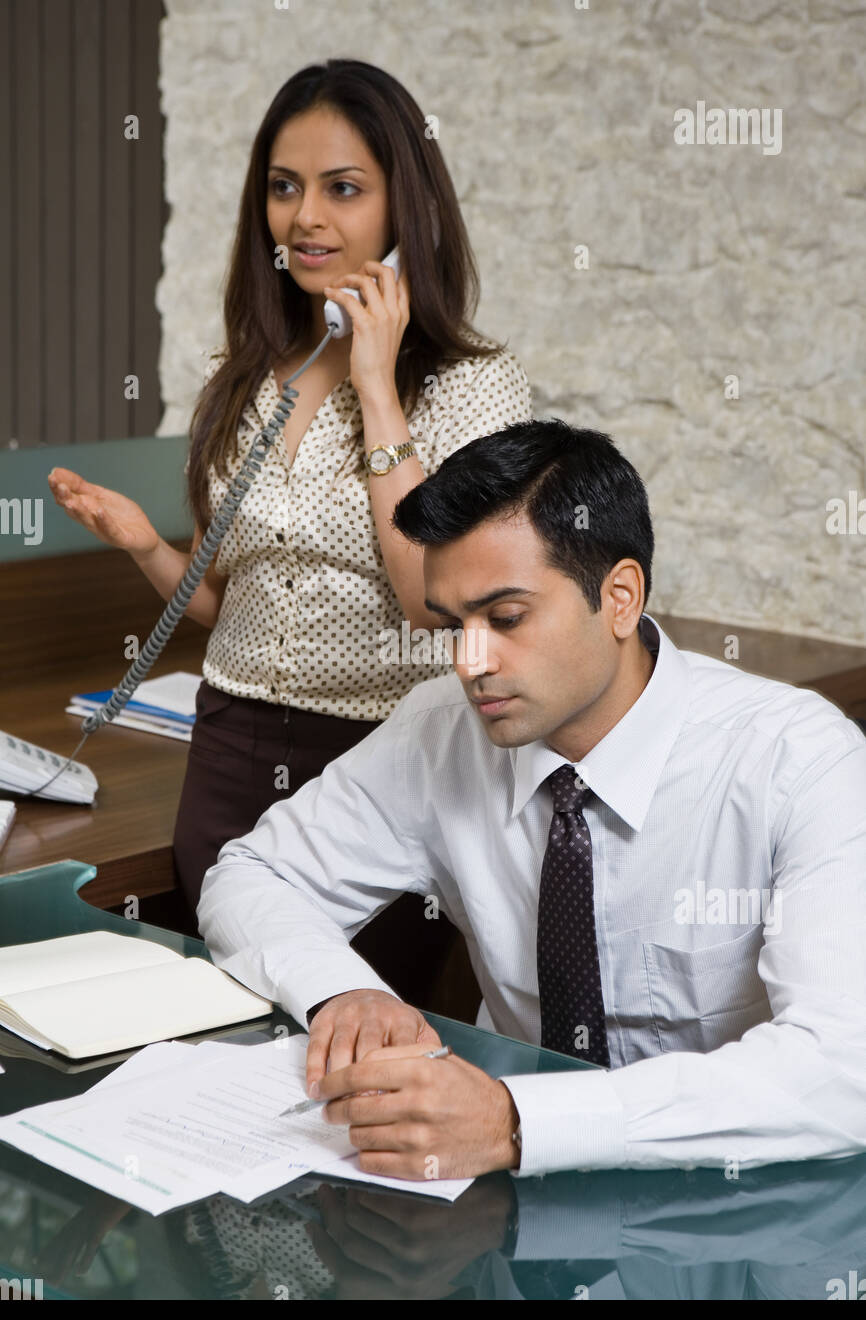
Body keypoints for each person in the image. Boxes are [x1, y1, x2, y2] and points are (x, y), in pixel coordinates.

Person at [197, 418, 866, 1180]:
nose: (469, 663)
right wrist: (343, 990)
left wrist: (519, 1124)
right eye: (452, 625)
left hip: (737, 1198)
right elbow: (250, 875)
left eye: (505, 618)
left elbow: (845, 1066)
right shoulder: (438, 734)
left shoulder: (798, 760)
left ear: (619, 597)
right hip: (500, 1214)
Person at [47, 59, 531, 1005]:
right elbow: (222, 604)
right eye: (284, 187)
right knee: (224, 1020)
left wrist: (379, 383)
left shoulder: (477, 386)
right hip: (229, 748)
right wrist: (150, 547)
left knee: (368, 1041)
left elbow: (427, 598)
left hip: (388, 760)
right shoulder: (248, 380)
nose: (305, 217)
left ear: (405, 210)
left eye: (343, 189)